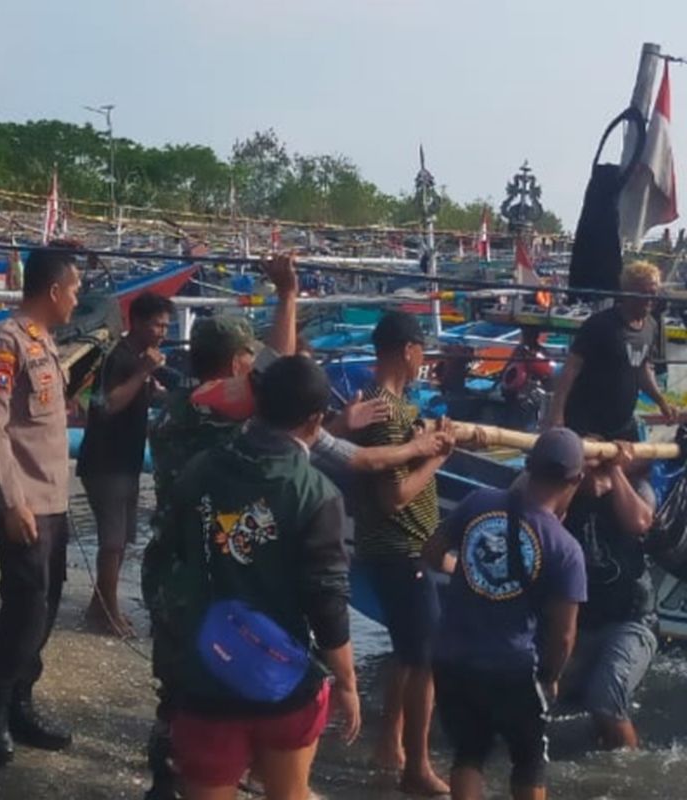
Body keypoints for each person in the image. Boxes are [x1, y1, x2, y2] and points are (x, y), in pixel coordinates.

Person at [152, 355, 361, 800]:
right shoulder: (317, 494)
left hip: (206, 677)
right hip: (282, 684)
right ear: (316, 421)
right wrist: (346, 683)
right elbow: (326, 599)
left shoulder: (201, 470)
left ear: (257, 401)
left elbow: (165, 558)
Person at [423, 428, 588, 800]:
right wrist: (550, 676)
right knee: (529, 761)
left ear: (528, 465)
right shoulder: (565, 548)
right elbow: (564, 635)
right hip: (511, 666)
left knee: (469, 753)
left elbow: (432, 551)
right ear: (576, 480)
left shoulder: (477, 501)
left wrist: (464, 569)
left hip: (452, 658)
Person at [0, 247, 82, 766]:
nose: (79, 299)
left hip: (54, 496)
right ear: (54, 291)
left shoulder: (47, 344)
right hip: (25, 500)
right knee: (25, 605)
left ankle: (20, 699)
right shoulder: (6, 342)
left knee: (47, 605)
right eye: (75, 289)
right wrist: (10, 502)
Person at [350, 310, 452, 796]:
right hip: (401, 549)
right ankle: (418, 765)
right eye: (421, 352)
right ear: (408, 350)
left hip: (400, 549)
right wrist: (435, 457)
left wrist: (424, 442)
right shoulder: (386, 411)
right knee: (424, 659)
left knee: (407, 655)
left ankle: (390, 743)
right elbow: (393, 496)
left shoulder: (389, 405)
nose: (423, 361)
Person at [77, 291, 176, 638]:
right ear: (137, 322)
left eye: (166, 325)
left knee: (122, 540)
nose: (162, 332)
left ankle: (99, 606)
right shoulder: (120, 357)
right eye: (156, 325)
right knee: (113, 542)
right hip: (106, 462)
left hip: (126, 461)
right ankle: (106, 613)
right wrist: (143, 373)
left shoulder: (137, 357)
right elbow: (107, 405)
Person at [559, 441, 658, 750]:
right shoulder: (569, 496)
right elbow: (542, 519)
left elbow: (640, 522)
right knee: (539, 693)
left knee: (604, 699)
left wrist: (614, 469)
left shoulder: (636, 490)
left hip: (631, 620)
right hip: (583, 623)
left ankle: (629, 767)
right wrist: (576, 475)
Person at [546, 260, 678, 440]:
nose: (649, 301)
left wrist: (662, 402)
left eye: (653, 294)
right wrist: (556, 415)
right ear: (627, 293)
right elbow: (570, 369)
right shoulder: (600, 325)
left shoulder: (651, 327)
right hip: (587, 424)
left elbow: (642, 368)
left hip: (622, 425)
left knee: (640, 465)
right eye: (643, 294)